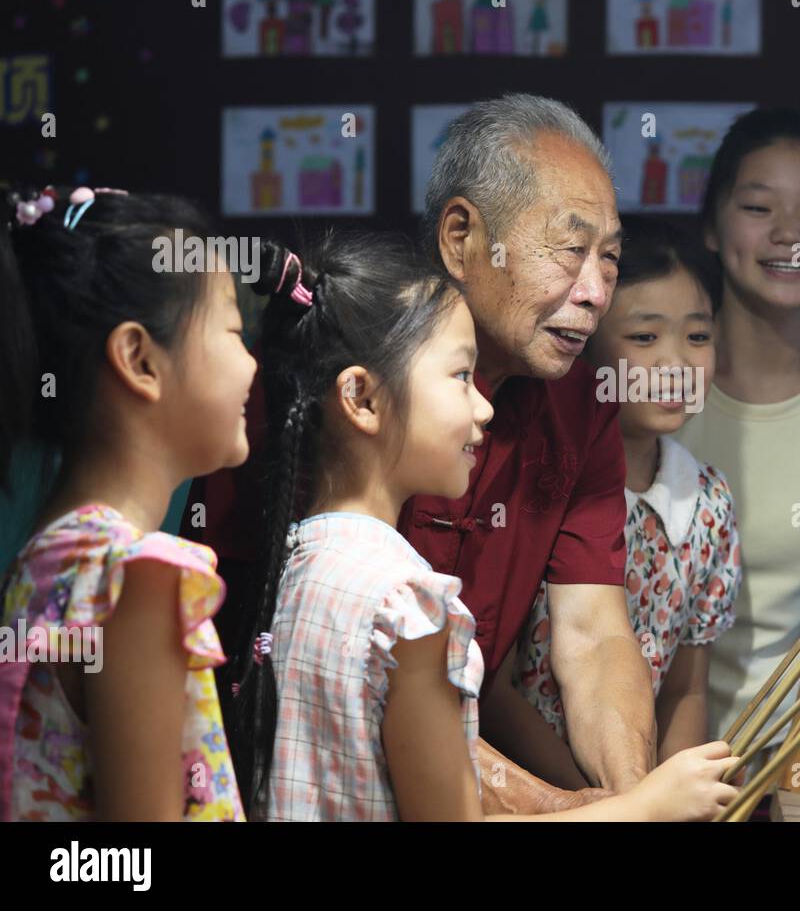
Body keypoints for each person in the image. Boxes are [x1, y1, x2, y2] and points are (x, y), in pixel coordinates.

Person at [187, 95, 660, 811]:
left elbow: (594, 638)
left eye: (611, 260)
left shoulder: (583, 406)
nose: (594, 293)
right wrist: (587, 811)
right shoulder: (335, 386)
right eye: (569, 251)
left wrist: (635, 796)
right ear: (462, 236)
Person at [238, 231, 738, 820]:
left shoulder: (305, 567)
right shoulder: (410, 606)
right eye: (459, 377)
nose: (484, 407)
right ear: (363, 399)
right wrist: (644, 809)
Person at [0, 186, 255, 820]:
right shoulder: (135, 575)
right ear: (140, 358)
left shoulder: (51, 552)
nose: (253, 364)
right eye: (232, 328)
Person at [512, 216, 742, 783]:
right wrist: (599, 802)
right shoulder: (540, 480)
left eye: (698, 336)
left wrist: (665, 794)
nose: (676, 364)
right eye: (644, 337)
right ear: (586, 346)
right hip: (531, 789)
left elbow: (687, 687)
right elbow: (492, 684)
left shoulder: (709, 502)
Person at [673, 109, 800, 756]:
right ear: (711, 225)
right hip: (653, 774)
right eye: (759, 207)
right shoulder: (649, 395)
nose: (789, 234)